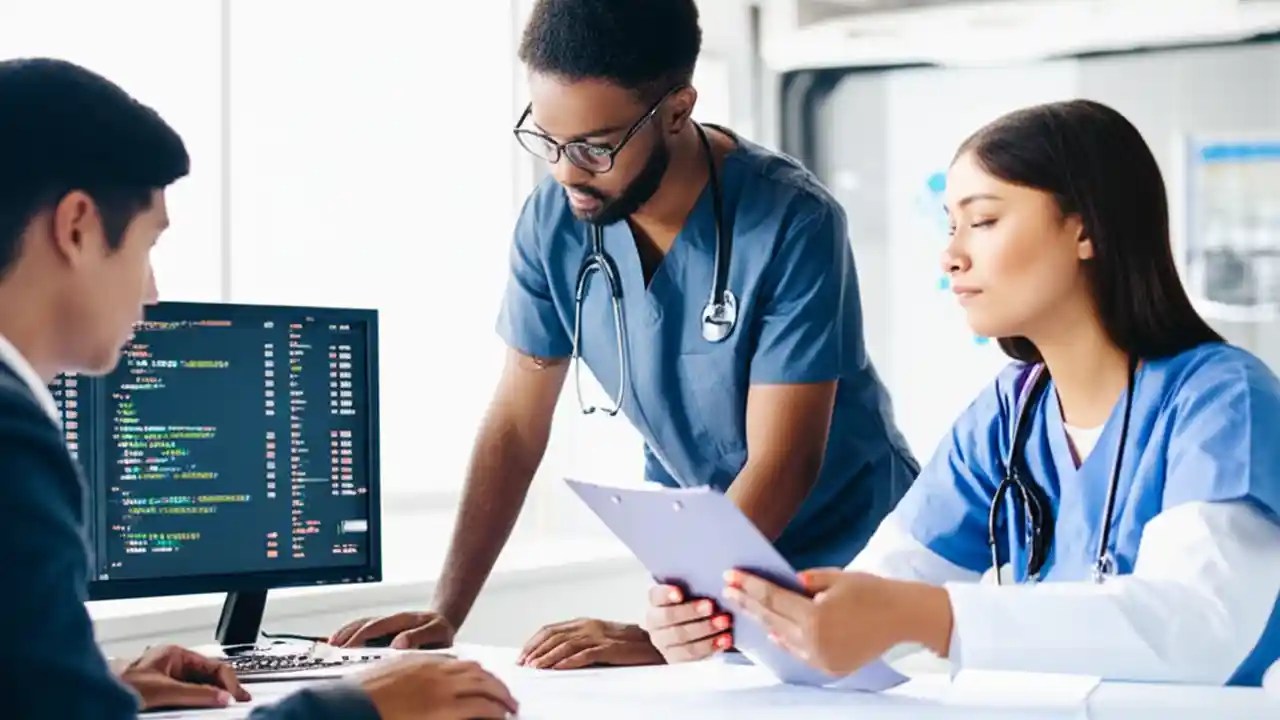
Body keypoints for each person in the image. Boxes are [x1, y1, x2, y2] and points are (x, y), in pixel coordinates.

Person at [329, 0, 917, 669]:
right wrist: (447, 610)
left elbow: (785, 462)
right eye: (546, 139)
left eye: (595, 147)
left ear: (676, 110)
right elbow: (517, 424)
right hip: (709, 582)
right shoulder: (554, 220)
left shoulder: (792, 222)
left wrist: (664, 631)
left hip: (856, 569)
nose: (565, 171)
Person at [647, 98, 1280, 685]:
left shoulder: (1221, 401)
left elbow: (1201, 627)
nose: (951, 255)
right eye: (950, 226)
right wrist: (738, 624)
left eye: (983, 221)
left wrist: (929, 617)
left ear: (1085, 230)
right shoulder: (1012, 414)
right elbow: (885, 584)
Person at [0, 57, 518, 719]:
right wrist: (362, 709)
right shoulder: (13, 445)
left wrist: (94, 682)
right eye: (147, 246)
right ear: (76, 227)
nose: (151, 294)